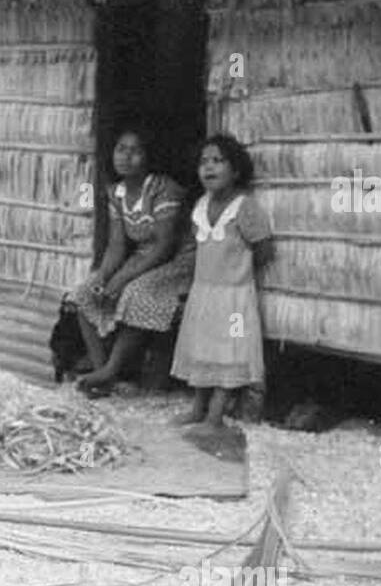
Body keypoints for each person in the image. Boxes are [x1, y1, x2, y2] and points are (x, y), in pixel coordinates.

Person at [71, 129, 197, 398]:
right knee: (85, 293)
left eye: (135, 151)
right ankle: (100, 369)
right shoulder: (115, 193)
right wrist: (104, 276)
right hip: (144, 257)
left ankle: (111, 371)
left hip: (181, 260)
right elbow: (116, 246)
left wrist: (123, 279)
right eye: (121, 149)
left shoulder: (163, 189)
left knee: (134, 293)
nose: (126, 157)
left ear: (148, 157)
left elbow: (164, 247)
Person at [171, 134, 275, 427]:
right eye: (204, 162)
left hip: (234, 299)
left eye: (218, 161)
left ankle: (215, 417)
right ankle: (197, 408)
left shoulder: (245, 208)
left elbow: (264, 250)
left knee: (229, 353)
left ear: (237, 170)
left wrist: (236, 270)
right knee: (204, 349)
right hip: (204, 295)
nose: (209, 167)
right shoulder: (201, 206)